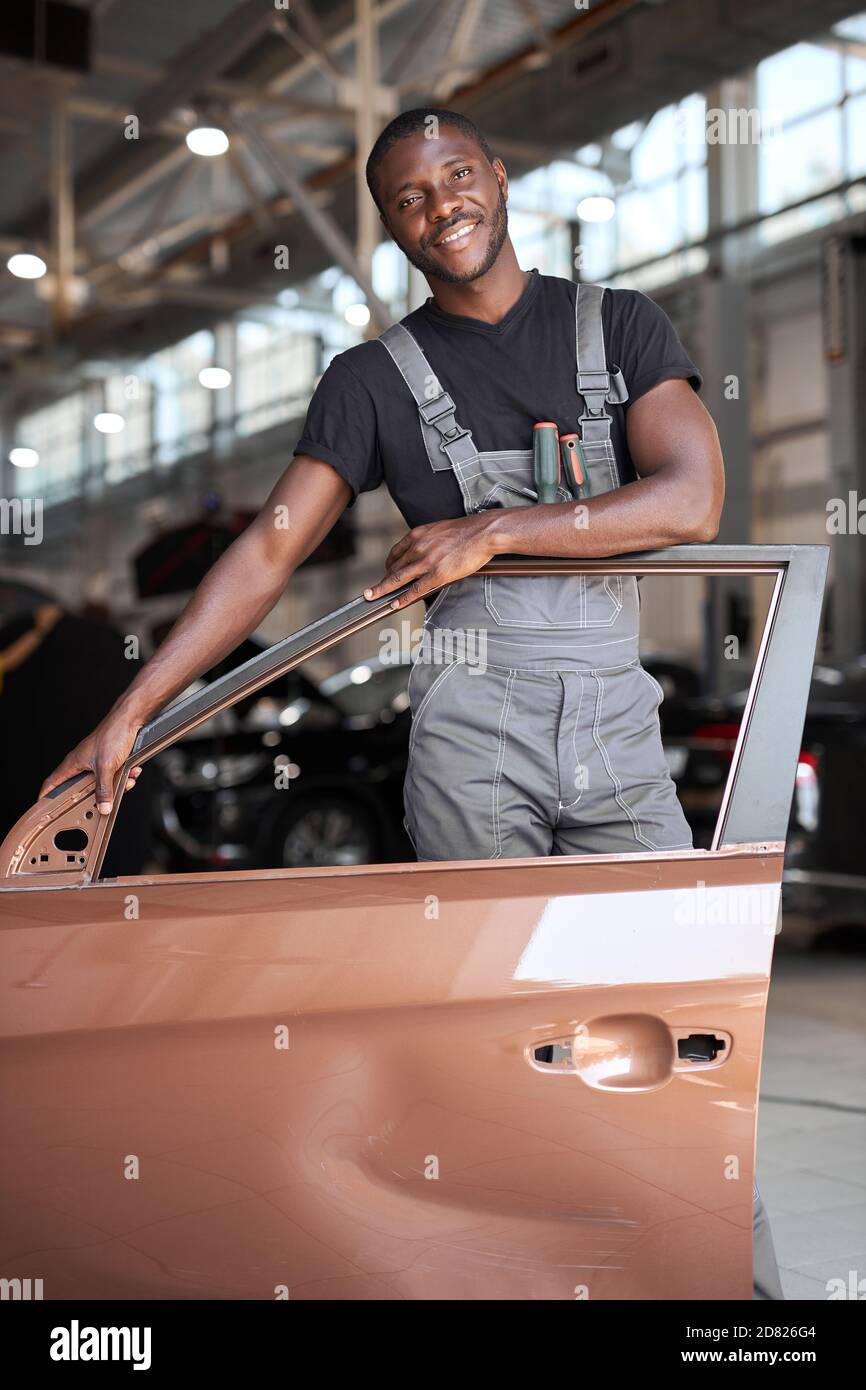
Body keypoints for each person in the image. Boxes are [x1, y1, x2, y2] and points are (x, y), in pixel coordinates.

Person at [40, 107, 782, 1299]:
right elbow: (269, 556)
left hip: (613, 729)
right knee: (491, 1045)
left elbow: (689, 500)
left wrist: (493, 529)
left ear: (497, 176)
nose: (440, 203)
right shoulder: (370, 382)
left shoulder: (620, 325)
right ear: (391, 228)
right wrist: (134, 707)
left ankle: (725, 1298)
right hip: (468, 735)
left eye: (455, 174)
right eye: (407, 196)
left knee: (676, 1032)